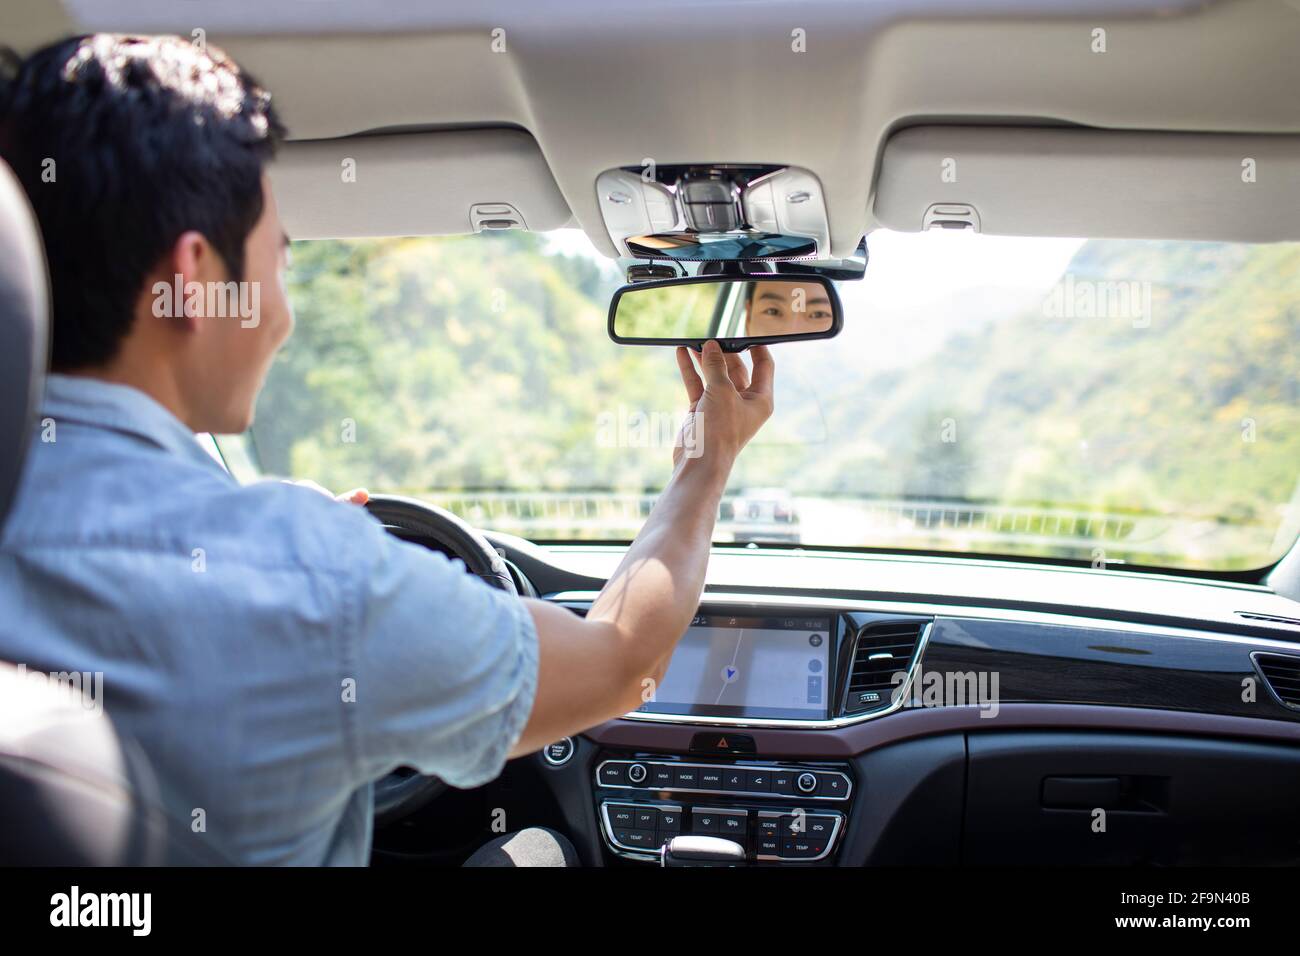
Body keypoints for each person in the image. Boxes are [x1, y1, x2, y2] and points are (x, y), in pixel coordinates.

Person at [0, 34, 774, 865]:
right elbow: (622, 659)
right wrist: (709, 458)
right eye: (279, 265)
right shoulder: (317, 583)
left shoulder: (300, 571)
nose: (283, 318)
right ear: (194, 281)